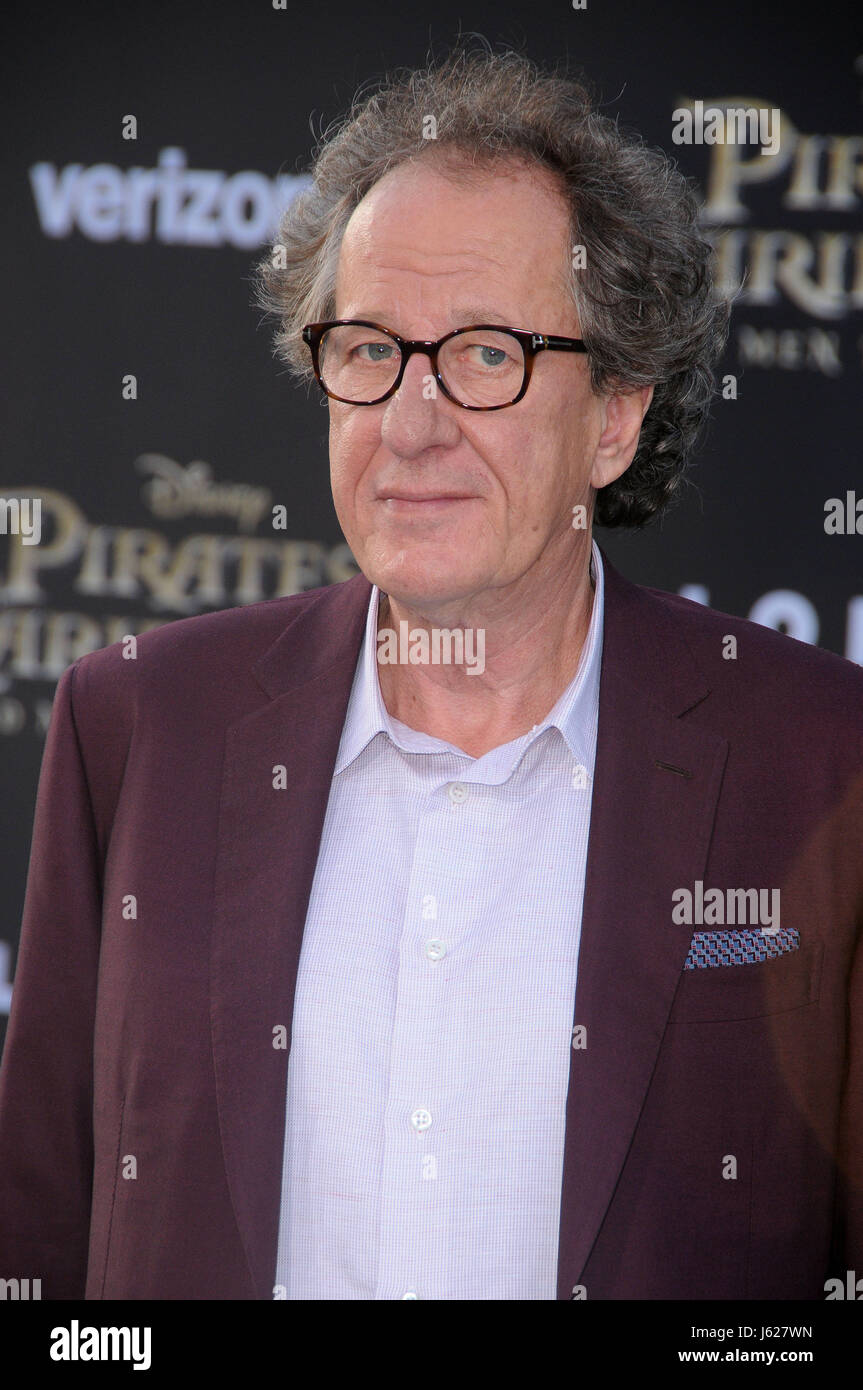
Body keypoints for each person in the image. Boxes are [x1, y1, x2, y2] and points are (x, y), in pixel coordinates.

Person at [1, 43, 860, 1301]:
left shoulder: (819, 759)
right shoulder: (139, 720)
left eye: (485, 355)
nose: (411, 424)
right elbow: (40, 1230)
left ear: (612, 418)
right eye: (367, 350)